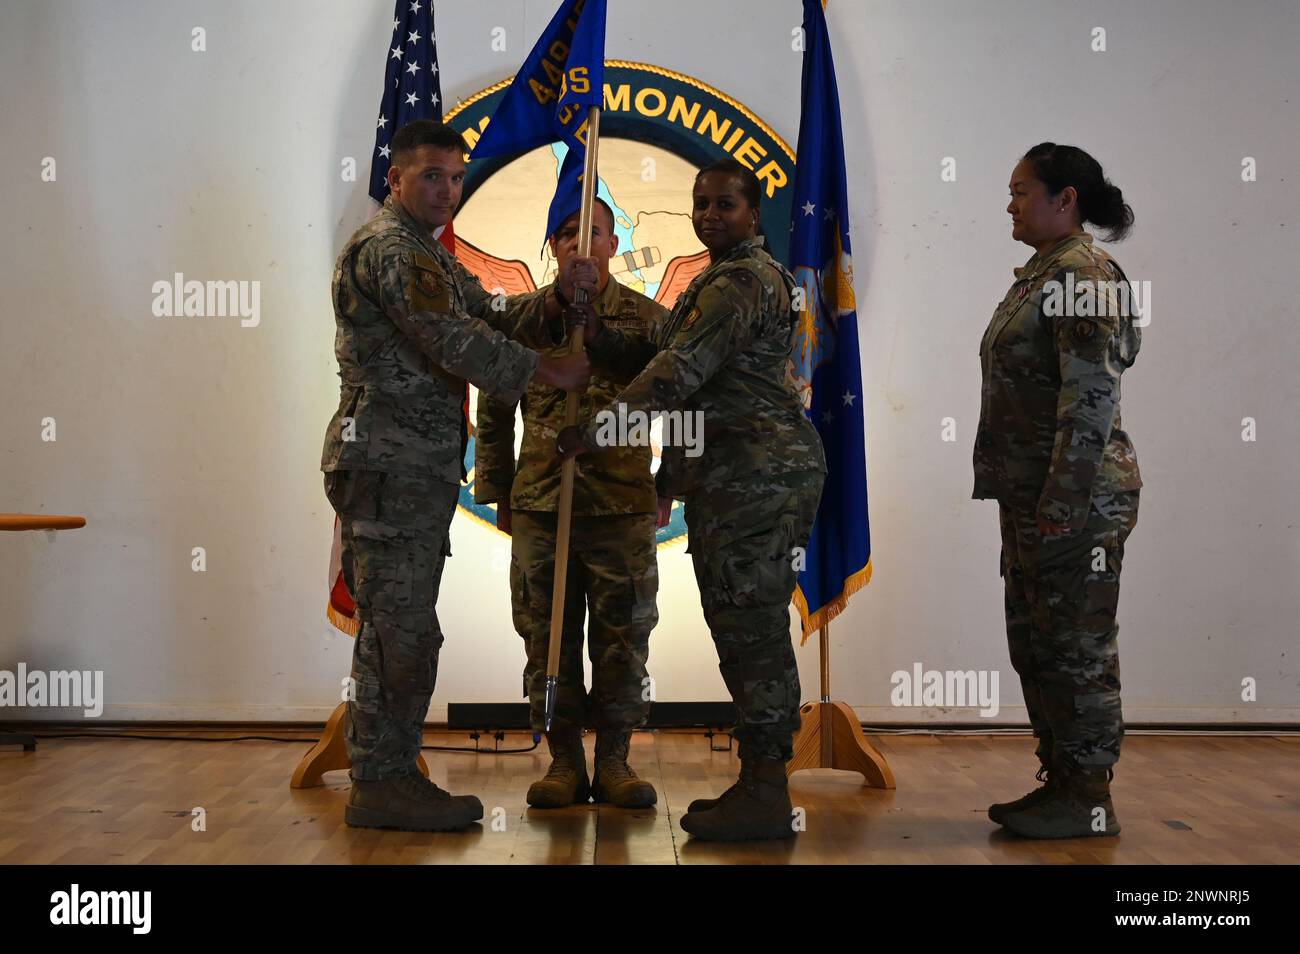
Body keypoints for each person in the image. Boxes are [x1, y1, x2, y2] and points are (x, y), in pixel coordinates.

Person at [321, 120, 590, 831]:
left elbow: (490, 311)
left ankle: (387, 776)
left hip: (410, 468)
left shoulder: (426, 255)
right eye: (432, 176)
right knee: (399, 634)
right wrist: (547, 368)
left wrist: (557, 300)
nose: (447, 190)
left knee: (404, 631)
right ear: (396, 180)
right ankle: (381, 783)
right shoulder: (391, 251)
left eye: (456, 177)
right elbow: (455, 338)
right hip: (388, 465)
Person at [559, 158, 826, 841]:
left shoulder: (740, 281)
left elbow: (678, 372)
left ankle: (767, 789)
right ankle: (759, 782)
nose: (710, 214)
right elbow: (665, 349)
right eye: (701, 203)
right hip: (733, 477)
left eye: (725, 204)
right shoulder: (722, 277)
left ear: (753, 212)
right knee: (741, 627)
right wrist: (601, 339)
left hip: (757, 479)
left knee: (754, 631)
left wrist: (597, 430)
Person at [474, 199, 670, 809]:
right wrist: (496, 490)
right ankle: (563, 762)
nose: (580, 246)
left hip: (621, 506)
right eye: (566, 235)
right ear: (552, 248)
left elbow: (685, 400)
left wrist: (668, 486)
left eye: (595, 234)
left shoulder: (648, 321)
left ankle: (614, 761)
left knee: (623, 636)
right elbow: (494, 408)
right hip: (541, 502)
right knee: (545, 635)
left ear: (615, 245)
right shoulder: (526, 319)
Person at [974, 142, 1142, 839]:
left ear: (1064, 199)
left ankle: (1090, 795)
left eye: (1021, 191)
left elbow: (1091, 400)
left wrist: (1064, 505)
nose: (1010, 203)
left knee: (1077, 648)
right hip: (1036, 498)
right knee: (1039, 642)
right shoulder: (1044, 273)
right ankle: (1063, 780)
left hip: (1075, 501)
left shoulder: (1081, 276)